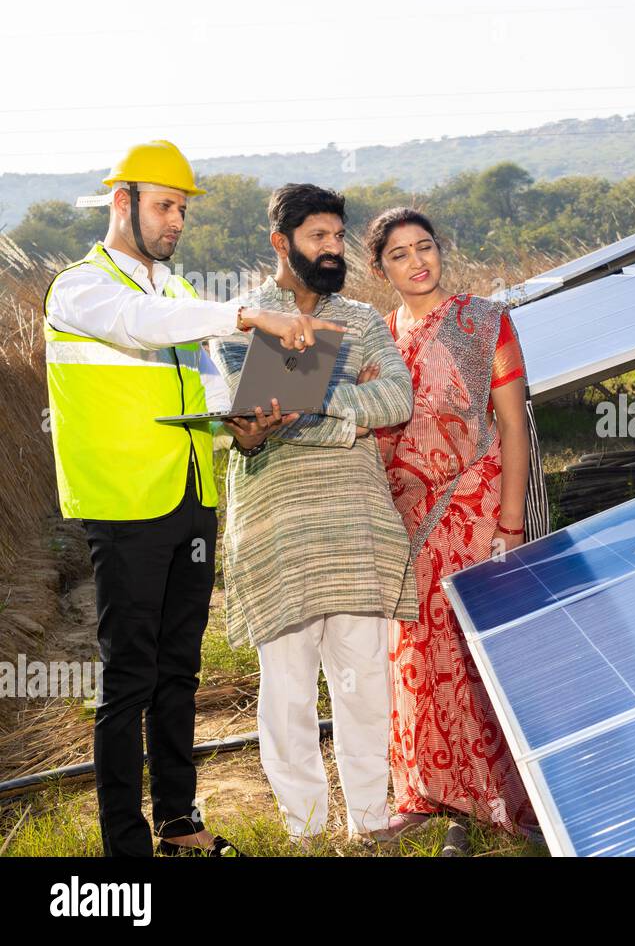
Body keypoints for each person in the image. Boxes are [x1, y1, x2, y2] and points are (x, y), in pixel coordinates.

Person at [43, 139, 343, 857]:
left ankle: (178, 824)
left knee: (179, 670)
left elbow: (205, 388)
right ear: (124, 203)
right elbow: (139, 326)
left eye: (181, 209)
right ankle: (127, 846)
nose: (176, 221)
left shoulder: (175, 293)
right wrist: (248, 316)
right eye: (164, 205)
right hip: (123, 504)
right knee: (129, 677)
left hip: (188, 498)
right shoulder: (80, 289)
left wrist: (248, 424)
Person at [211, 184, 417, 847]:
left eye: (337, 237)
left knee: (363, 687)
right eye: (317, 238)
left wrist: (322, 411)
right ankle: (303, 830)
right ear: (281, 242)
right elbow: (239, 423)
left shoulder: (361, 319)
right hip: (276, 527)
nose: (332, 250)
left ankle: (372, 820)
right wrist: (254, 433)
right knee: (288, 694)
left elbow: (395, 399)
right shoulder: (240, 321)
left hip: (355, 527)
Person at [361, 207, 538, 846]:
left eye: (425, 247)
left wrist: (512, 523)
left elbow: (514, 424)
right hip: (405, 521)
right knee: (415, 650)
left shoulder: (482, 320)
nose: (418, 262)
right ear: (381, 269)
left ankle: (493, 796)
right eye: (401, 254)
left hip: (477, 504)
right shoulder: (379, 338)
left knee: (471, 649)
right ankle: (428, 790)